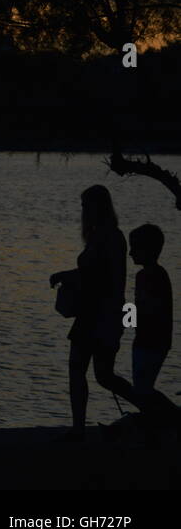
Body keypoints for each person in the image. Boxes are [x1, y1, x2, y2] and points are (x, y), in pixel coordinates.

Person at [49, 185, 141, 440]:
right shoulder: (104, 235)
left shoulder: (108, 237)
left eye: (85, 205)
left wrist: (64, 275)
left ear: (95, 207)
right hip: (98, 313)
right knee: (94, 372)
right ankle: (145, 407)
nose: (82, 210)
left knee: (96, 373)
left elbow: (97, 277)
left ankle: (148, 406)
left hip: (100, 314)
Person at [128, 223, 176, 426]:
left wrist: (125, 314)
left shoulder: (154, 276)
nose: (130, 253)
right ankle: (155, 420)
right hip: (144, 339)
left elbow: (148, 308)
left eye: (135, 248)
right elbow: (137, 309)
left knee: (143, 388)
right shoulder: (146, 275)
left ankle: (171, 416)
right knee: (142, 386)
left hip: (153, 340)